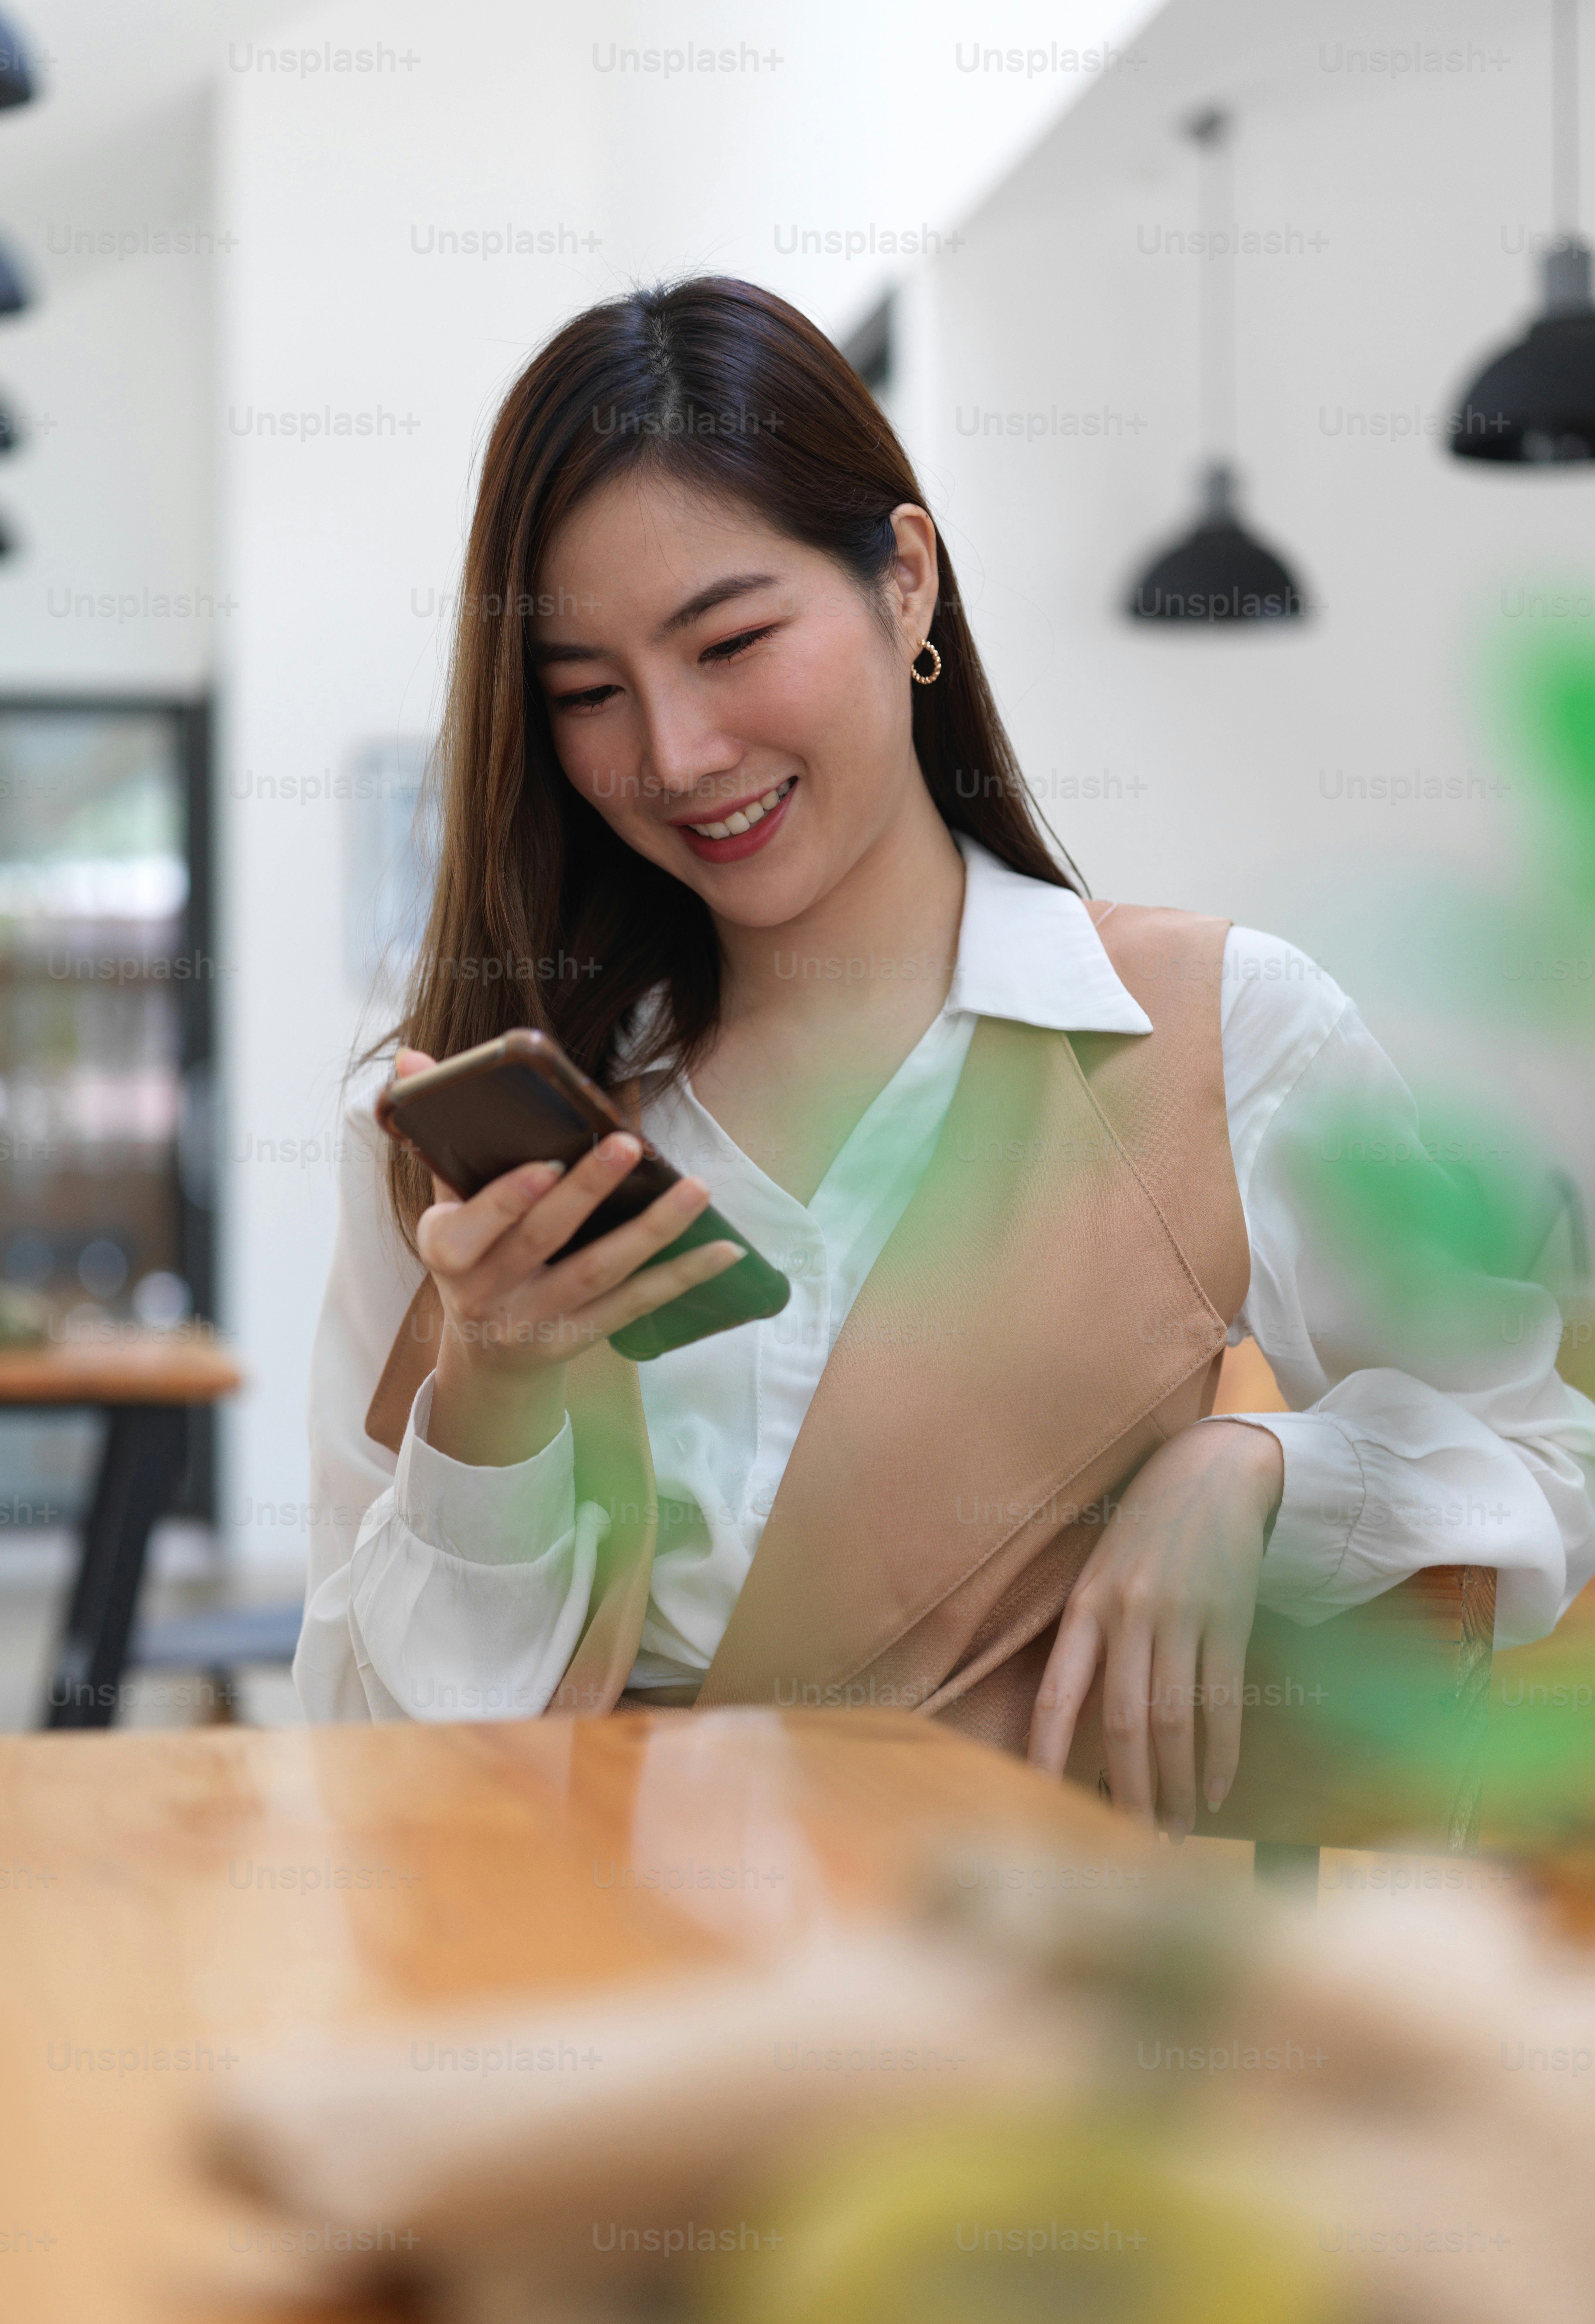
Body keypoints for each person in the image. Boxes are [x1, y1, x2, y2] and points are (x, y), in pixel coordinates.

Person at [296, 276, 1595, 1840]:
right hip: (585, 1994)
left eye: (730, 640)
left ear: (904, 583)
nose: (674, 754)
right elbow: (368, 1749)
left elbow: (1542, 1450)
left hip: (1026, 2035)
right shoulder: (482, 1156)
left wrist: (1258, 1463)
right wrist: (491, 1392)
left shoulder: (1214, 1034)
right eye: (587, 694)